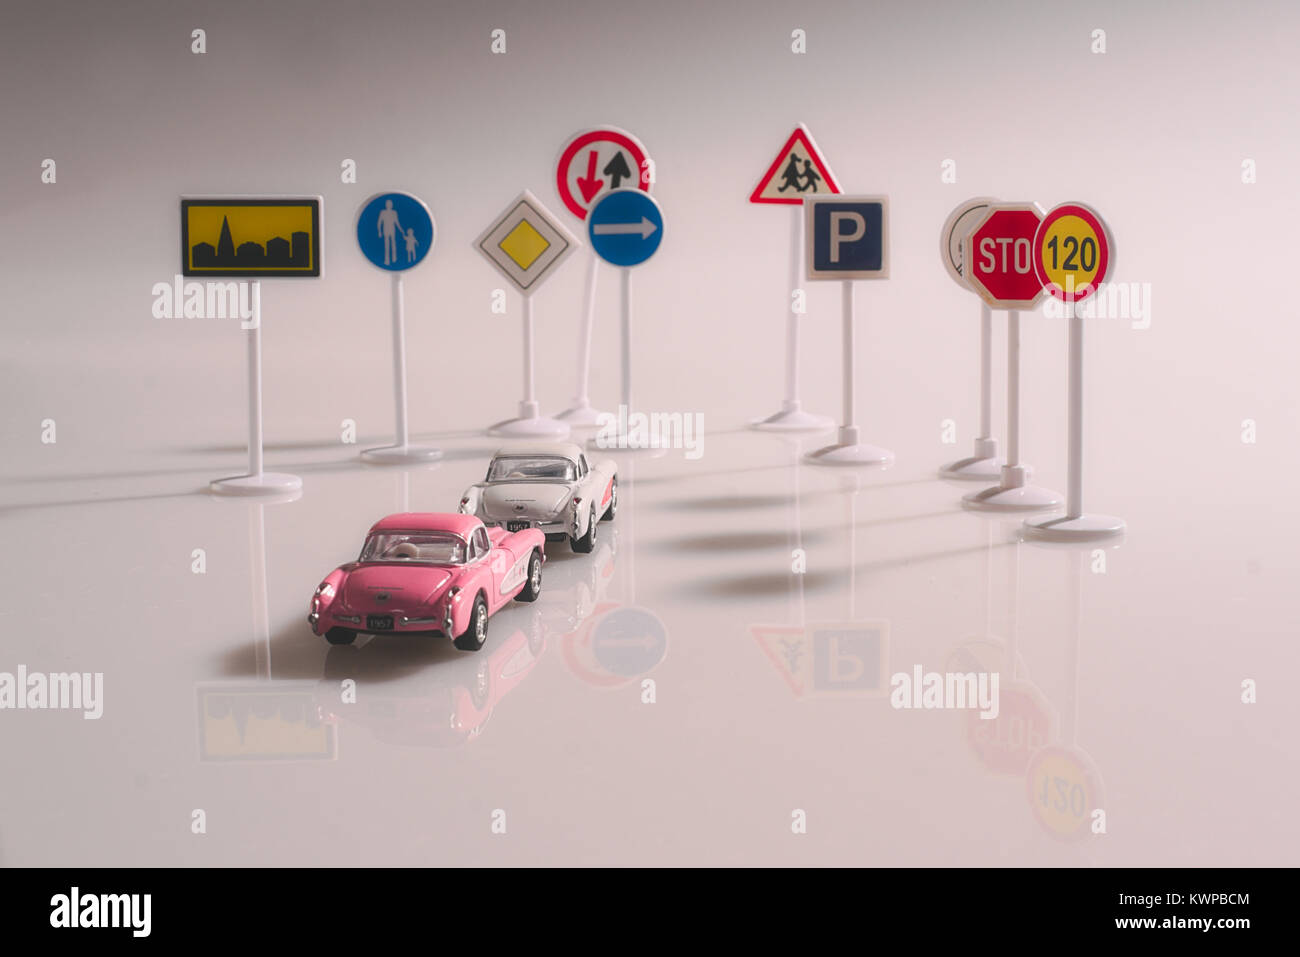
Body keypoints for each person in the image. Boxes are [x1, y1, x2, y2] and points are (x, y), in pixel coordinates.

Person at [376, 199, 404, 266]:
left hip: (392, 230)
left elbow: (396, 222)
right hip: (386, 230)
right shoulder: (383, 212)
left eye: (390, 204)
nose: (389, 205)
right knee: (387, 245)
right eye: (388, 204)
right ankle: (387, 260)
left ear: (392, 205)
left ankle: (394, 258)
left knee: (393, 244)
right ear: (386, 205)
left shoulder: (394, 212)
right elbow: (379, 222)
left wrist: (401, 230)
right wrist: (379, 231)